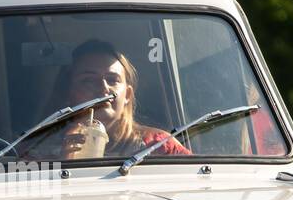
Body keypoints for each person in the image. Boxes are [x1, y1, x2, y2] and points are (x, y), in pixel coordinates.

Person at [36, 39, 190, 159]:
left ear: (128, 95)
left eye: (112, 80)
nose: (103, 88)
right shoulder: (39, 153)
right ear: (67, 93)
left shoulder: (159, 146)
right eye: (88, 80)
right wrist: (63, 165)